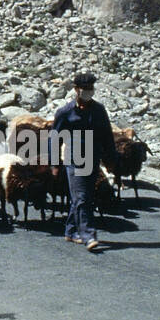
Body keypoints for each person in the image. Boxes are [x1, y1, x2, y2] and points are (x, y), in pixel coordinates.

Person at [51, 70, 117, 252]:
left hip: (93, 157)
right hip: (74, 158)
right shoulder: (65, 112)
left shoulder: (99, 110)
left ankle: (71, 231)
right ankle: (88, 235)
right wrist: (55, 164)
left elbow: (107, 136)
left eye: (91, 88)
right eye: (85, 88)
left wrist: (110, 159)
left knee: (84, 197)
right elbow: (54, 139)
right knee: (82, 197)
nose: (88, 91)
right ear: (76, 89)